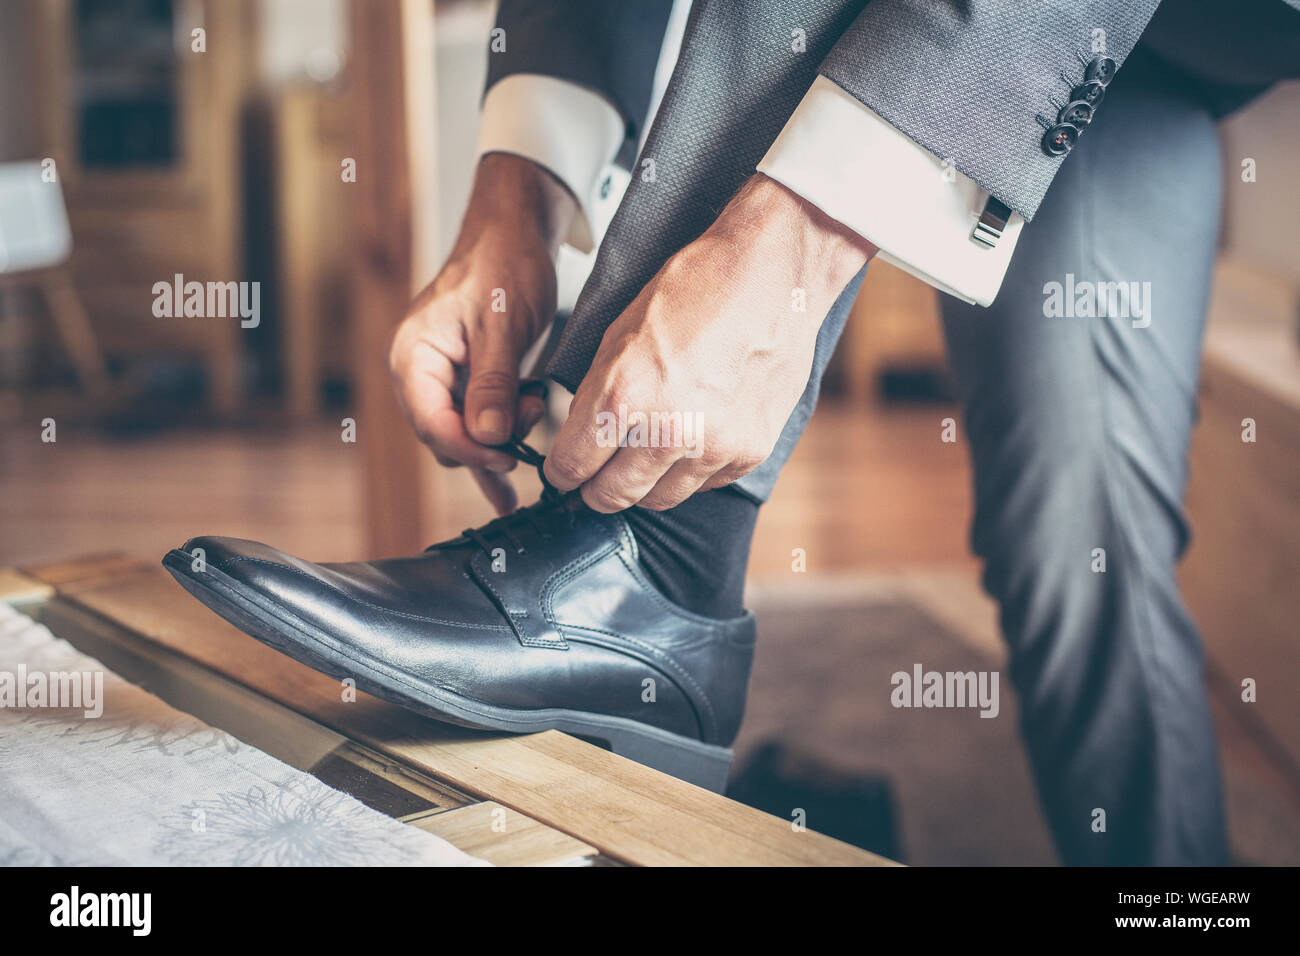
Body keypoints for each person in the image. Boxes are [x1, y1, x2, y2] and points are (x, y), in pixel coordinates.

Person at [166, 0, 1300, 864]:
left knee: (1090, 557)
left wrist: (783, 257)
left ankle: (657, 569)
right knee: (1071, 540)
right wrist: (515, 201)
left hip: (1164, 36)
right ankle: (654, 581)